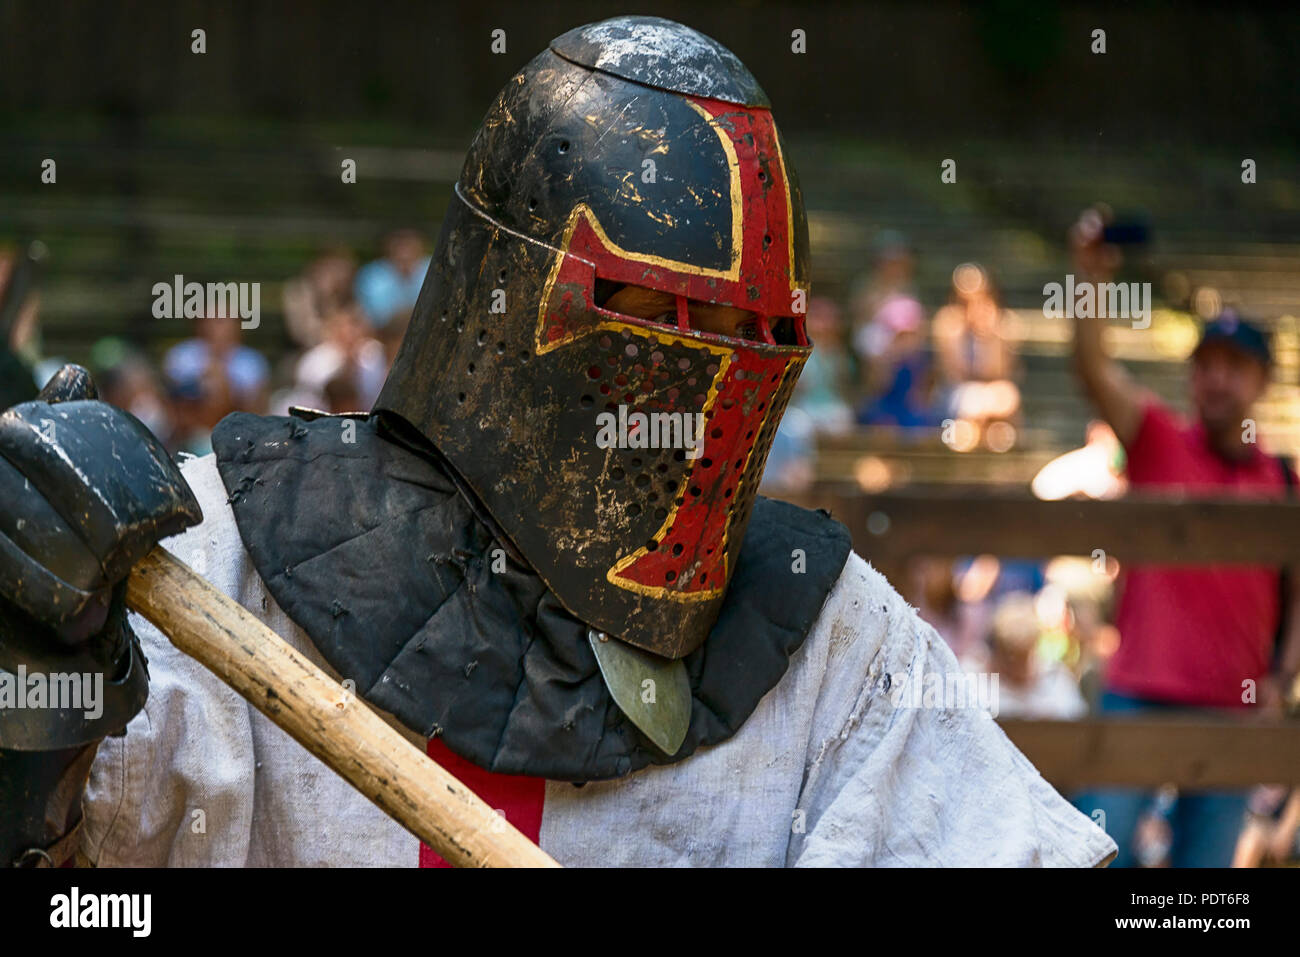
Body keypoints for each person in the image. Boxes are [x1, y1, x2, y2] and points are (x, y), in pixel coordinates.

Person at [0, 16, 1115, 869]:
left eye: (749, 335)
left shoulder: (830, 644)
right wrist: (36, 692)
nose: (708, 375)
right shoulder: (217, 572)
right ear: (509, 297)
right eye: (660, 319)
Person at [1069, 207, 1300, 866]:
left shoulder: (1284, 478)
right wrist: (1090, 279)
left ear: (1262, 381)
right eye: (1206, 363)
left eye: (1235, 364)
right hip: (1137, 692)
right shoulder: (1158, 441)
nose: (1217, 377)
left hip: (1234, 706)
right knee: (1094, 851)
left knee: (1205, 890)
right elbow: (1093, 369)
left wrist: (1281, 679)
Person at [354, 228, 429, 331]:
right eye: (400, 245)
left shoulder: (435, 268)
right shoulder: (372, 275)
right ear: (388, 247)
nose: (404, 251)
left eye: (409, 244)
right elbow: (378, 318)